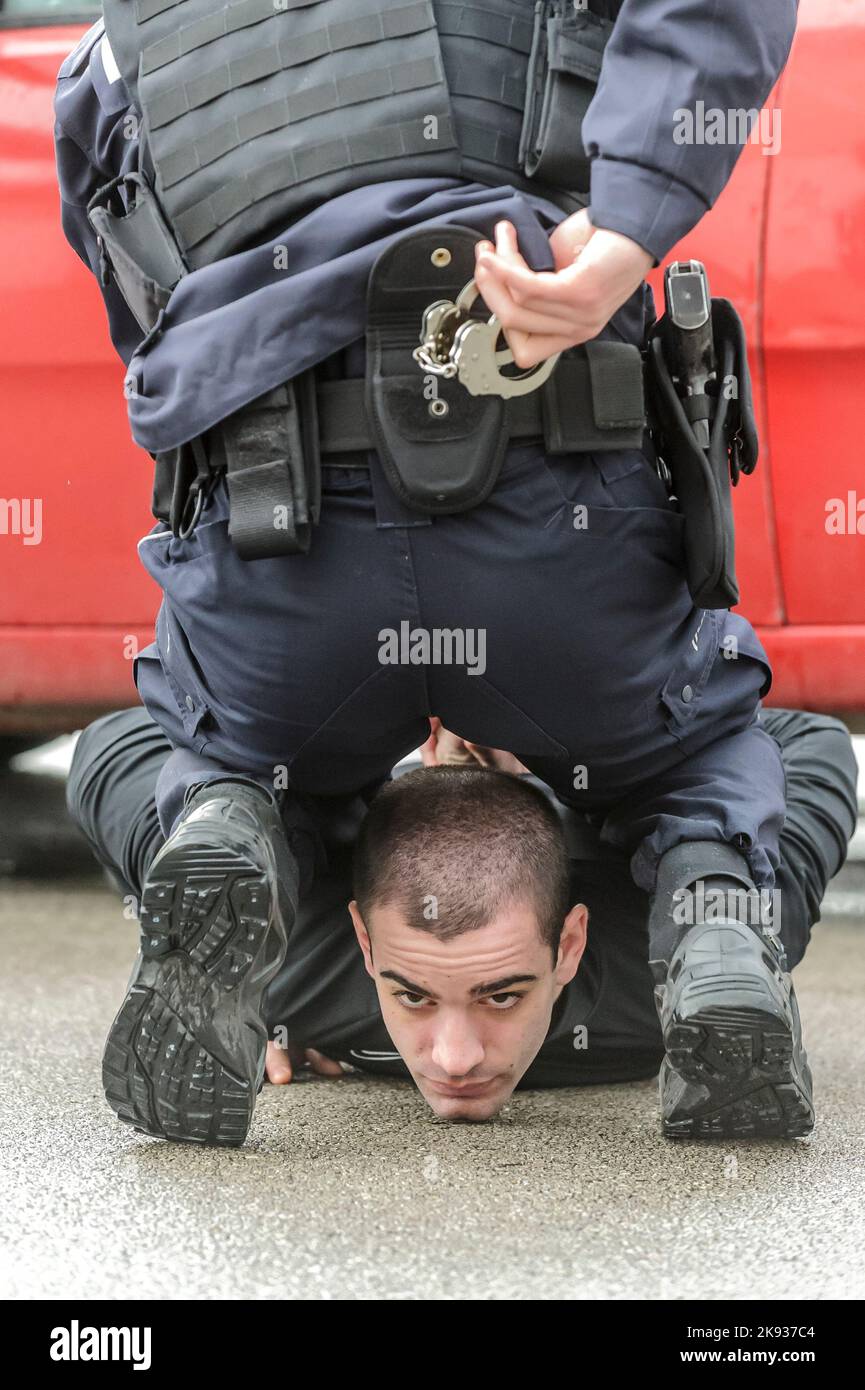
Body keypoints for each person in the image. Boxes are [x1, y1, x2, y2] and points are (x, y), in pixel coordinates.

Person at [53, 1, 802, 1143]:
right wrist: (628, 234)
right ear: (564, 950)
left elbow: (113, 220)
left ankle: (219, 813)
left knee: (212, 748)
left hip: (277, 527)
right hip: (556, 501)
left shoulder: (143, 23)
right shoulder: (583, 958)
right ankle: (710, 901)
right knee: (711, 748)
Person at [66, 704, 858, 1138]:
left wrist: (574, 764)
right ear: (365, 942)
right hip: (363, 816)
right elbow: (109, 741)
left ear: (567, 945)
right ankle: (239, 809)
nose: (454, 1059)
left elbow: (809, 742)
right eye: (410, 995)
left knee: (725, 900)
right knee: (227, 822)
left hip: (595, 835)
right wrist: (304, 804)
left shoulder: (683, 955)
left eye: (502, 995)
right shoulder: (286, 946)